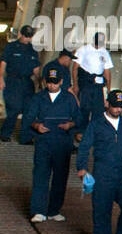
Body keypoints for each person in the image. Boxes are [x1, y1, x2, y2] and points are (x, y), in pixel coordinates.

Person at [76, 89, 122, 234]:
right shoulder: (96, 124)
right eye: (115, 106)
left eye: (121, 107)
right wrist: (82, 168)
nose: (118, 110)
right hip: (103, 172)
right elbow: (84, 146)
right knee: (101, 209)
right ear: (107, 104)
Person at [24, 65, 81, 222]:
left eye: (55, 83)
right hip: (44, 142)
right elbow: (29, 118)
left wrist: (70, 125)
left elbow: (79, 119)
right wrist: (36, 126)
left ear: (61, 81)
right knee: (40, 175)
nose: (52, 85)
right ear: (44, 81)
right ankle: (38, 210)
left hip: (63, 143)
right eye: (49, 82)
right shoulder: (38, 98)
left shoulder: (69, 99)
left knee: (60, 177)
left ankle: (54, 209)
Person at [0, 25, 40, 144]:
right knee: (13, 108)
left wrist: (40, 82)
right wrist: (0, 78)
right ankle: (5, 134)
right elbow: (3, 64)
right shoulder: (11, 47)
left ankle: (25, 137)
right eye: (26, 36)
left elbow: (36, 69)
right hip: (12, 81)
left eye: (29, 36)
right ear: (21, 34)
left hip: (27, 82)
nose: (27, 39)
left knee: (28, 110)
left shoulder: (33, 51)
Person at [72, 31, 114, 139]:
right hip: (86, 82)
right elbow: (75, 68)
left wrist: (109, 91)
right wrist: (75, 85)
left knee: (98, 110)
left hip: (98, 85)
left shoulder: (105, 53)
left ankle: (95, 133)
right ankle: (80, 132)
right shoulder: (84, 50)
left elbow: (107, 72)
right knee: (84, 108)